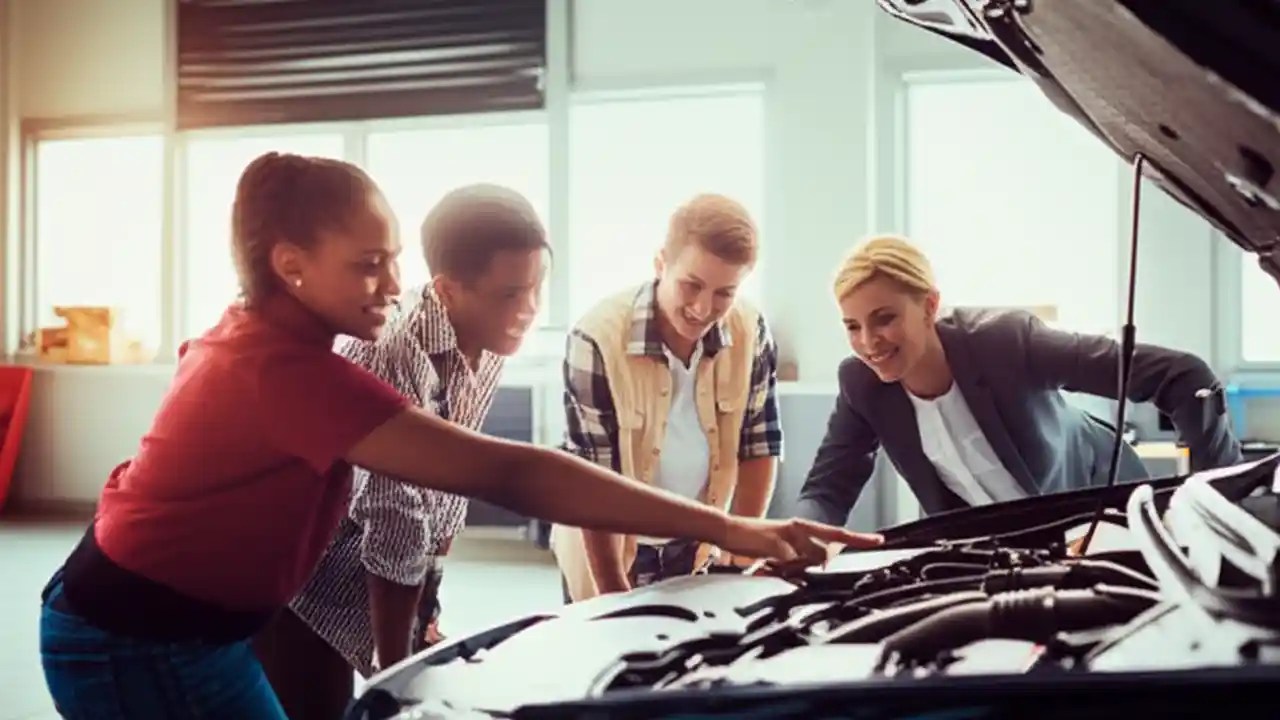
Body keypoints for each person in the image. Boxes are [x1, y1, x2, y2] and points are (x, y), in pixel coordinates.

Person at [37, 153, 880, 720]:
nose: (395, 285)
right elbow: (511, 475)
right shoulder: (294, 372)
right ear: (291, 265)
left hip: (188, 623)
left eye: (394, 258)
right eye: (369, 265)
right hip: (135, 636)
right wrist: (731, 528)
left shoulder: (278, 339)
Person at [254, 184, 551, 718]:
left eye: (536, 288)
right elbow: (397, 521)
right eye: (511, 294)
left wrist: (422, 614)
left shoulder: (487, 334)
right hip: (298, 581)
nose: (528, 310)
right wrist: (396, 674)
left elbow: (445, 489)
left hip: (370, 577)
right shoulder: (394, 352)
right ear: (448, 289)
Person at [795, 234, 1243, 525]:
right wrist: (795, 541)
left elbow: (1184, 376)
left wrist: (1215, 502)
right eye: (852, 326)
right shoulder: (862, 384)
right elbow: (828, 489)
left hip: (1101, 516)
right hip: (999, 549)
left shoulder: (1005, 342)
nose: (869, 341)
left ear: (930, 306)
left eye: (884, 318)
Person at [554, 193, 785, 603]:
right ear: (661, 263)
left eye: (724, 293)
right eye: (691, 285)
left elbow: (759, 446)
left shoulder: (752, 330)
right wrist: (611, 594)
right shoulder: (596, 338)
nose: (703, 307)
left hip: (699, 542)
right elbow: (592, 482)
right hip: (610, 548)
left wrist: (738, 558)